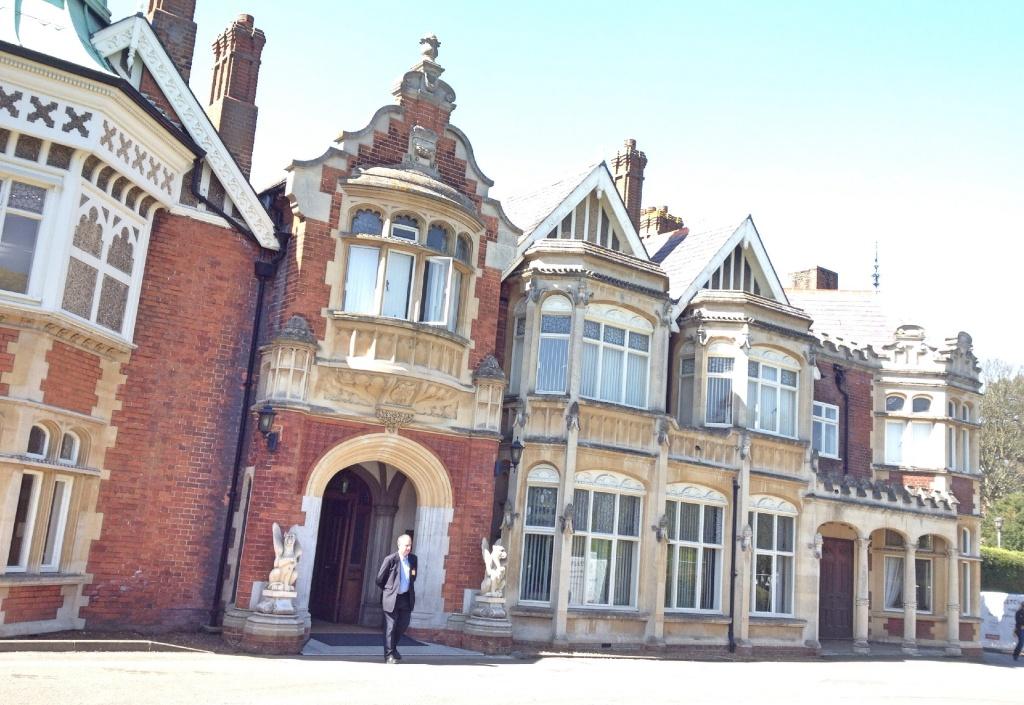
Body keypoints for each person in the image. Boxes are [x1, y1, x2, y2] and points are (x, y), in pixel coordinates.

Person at [376, 533, 417, 664]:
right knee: (390, 627)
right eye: (406, 545)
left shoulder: (413, 559)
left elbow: (413, 577)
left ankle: (393, 648)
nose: (408, 548)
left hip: (406, 597)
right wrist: (389, 590)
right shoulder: (390, 559)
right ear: (399, 545)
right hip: (392, 598)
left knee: (403, 625)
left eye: (410, 545)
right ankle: (388, 655)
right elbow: (379, 579)